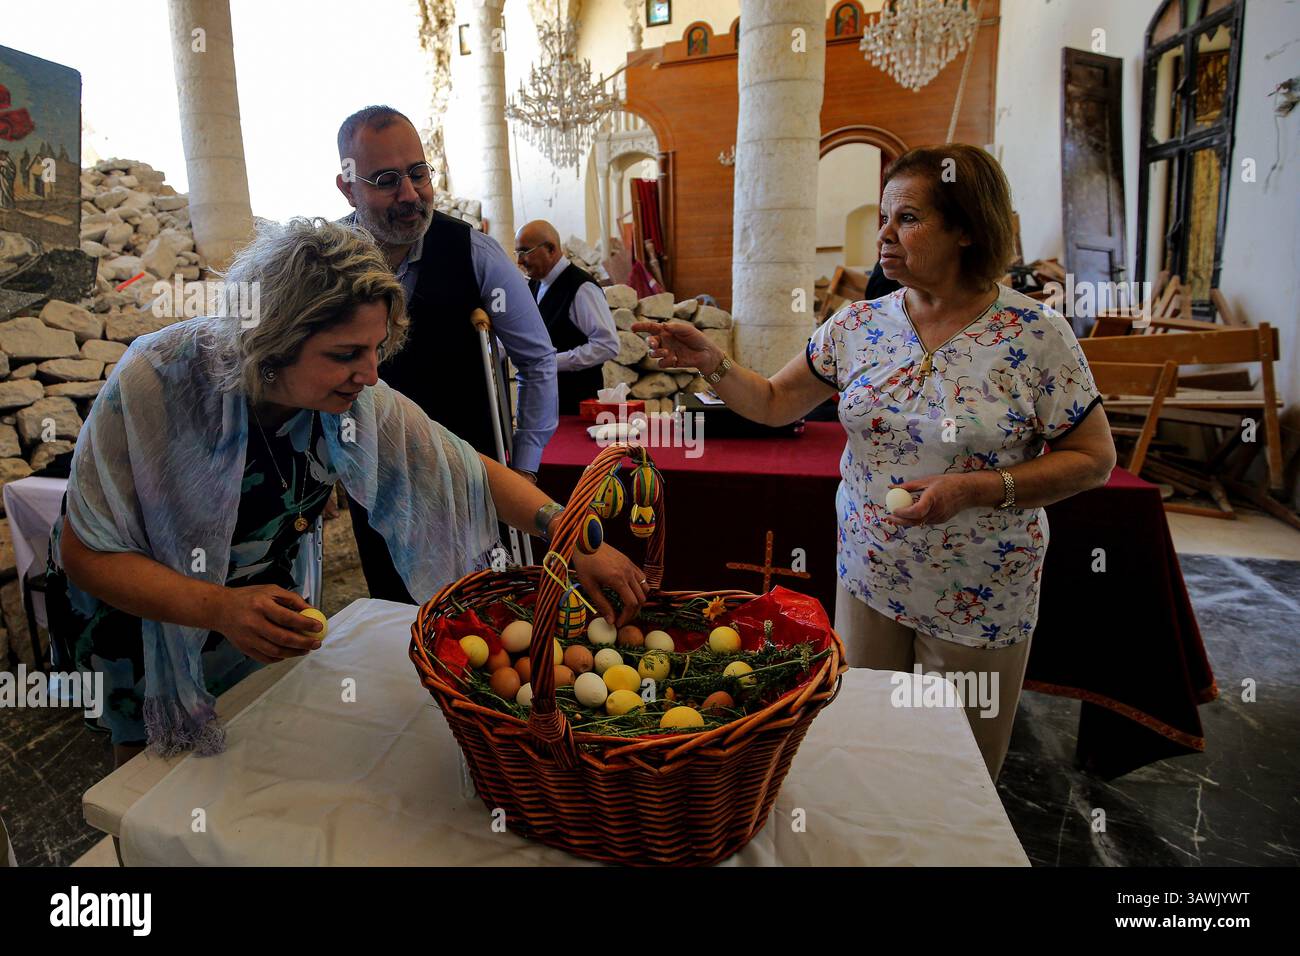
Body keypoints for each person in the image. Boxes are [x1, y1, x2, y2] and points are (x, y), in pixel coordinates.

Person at [46, 218, 646, 766]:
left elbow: (465, 468)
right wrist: (217, 607)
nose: (370, 374)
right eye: (346, 355)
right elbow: (87, 552)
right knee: (153, 779)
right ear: (273, 343)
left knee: (247, 754)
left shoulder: (353, 397)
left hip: (254, 614)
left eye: (376, 349)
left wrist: (567, 532)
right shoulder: (158, 380)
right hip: (143, 617)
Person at [635, 144, 1116, 780]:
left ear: (969, 229)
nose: (883, 234)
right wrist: (711, 363)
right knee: (867, 756)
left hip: (978, 591)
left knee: (956, 775)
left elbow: (1093, 458)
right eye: (884, 217)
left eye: (907, 219)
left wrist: (972, 489)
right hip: (870, 577)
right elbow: (777, 402)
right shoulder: (857, 325)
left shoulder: (1035, 336)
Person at [334, 105, 559, 603]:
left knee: (486, 620)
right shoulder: (325, 263)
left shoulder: (473, 252)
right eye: (387, 180)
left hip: (475, 479)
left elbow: (537, 360)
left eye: (418, 173)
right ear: (348, 188)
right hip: (377, 481)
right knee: (398, 617)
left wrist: (523, 469)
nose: (410, 194)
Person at [515, 219, 618, 414]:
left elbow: (607, 345)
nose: (520, 261)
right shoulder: (534, 285)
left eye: (525, 252)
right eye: (517, 253)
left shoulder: (582, 288)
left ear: (551, 249)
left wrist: (551, 363)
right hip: (543, 405)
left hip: (575, 406)